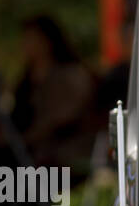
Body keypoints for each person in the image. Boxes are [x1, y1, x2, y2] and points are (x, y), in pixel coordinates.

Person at [9, 15, 96, 168]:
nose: (27, 45)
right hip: (27, 151)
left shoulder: (70, 75)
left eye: (32, 39)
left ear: (47, 40)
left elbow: (65, 117)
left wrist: (27, 138)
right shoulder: (25, 80)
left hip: (63, 153)